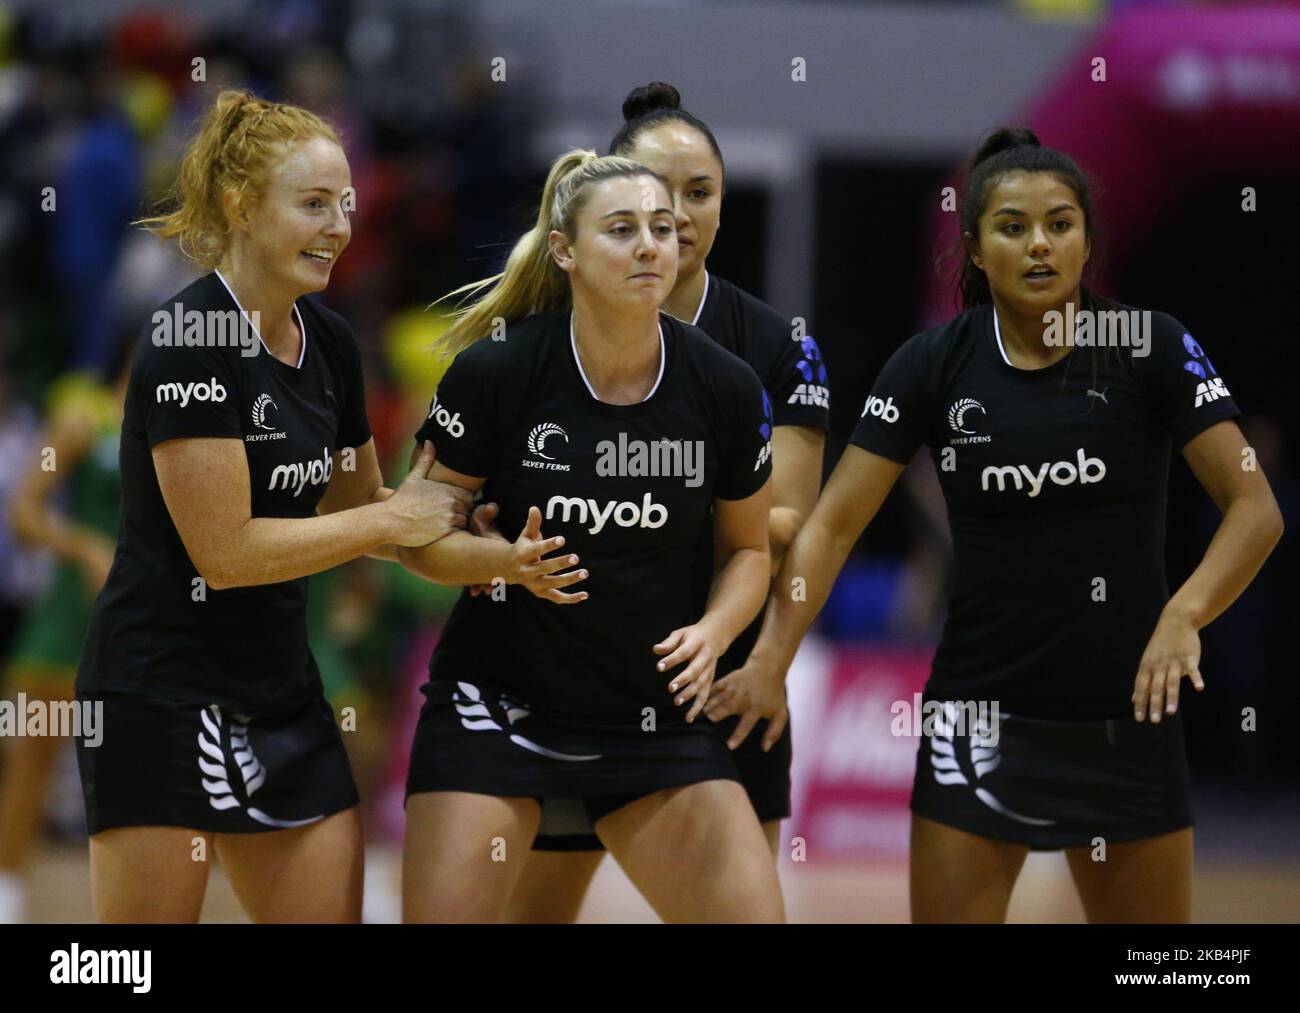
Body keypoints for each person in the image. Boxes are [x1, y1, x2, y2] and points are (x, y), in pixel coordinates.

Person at [728, 127, 1283, 923]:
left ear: (1088, 239)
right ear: (976, 250)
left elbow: (1254, 508)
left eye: (1060, 223)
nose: (1039, 245)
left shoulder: (1149, 345)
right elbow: (833, 527)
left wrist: (1184, 613)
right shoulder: (932, 363)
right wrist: (773, 658)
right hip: (975, 721)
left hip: (1129, 716)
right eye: (1012, 226)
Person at [73, 90, 470, 923]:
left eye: (347, 206)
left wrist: (490, 543)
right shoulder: (188, 339)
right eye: (315, 204)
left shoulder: (328, 341)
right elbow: (228, 553)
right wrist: (392, 520)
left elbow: (363, 507)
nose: (339, 227)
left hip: (280, 692)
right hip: (158, 693)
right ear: (241, 205)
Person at [399, 149, 784, 923]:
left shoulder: (727, 387)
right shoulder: (497, 373)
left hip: (655, 721)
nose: (650, 245)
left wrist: (715, 632)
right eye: (622, 228)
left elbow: (749, 549)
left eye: (663, 228)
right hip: (496, 710)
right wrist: (504, 561)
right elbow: (417, 540)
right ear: (564, 250)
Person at [503, 81, 830, 922]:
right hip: (563, 675)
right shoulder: (542, 331)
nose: (677, 215)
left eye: (700, 193)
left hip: (718, 684)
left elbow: (792, 523)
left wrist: (767, 663)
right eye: (656, 192)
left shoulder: (776, 346)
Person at [0, 361, 126, 923]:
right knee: (31, 762)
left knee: (137, 777)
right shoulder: (87, 419)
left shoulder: (192, 423)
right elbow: (25, 511)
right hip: (64, 624)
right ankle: (6, 893)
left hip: (139, 630)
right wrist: (85, 548)